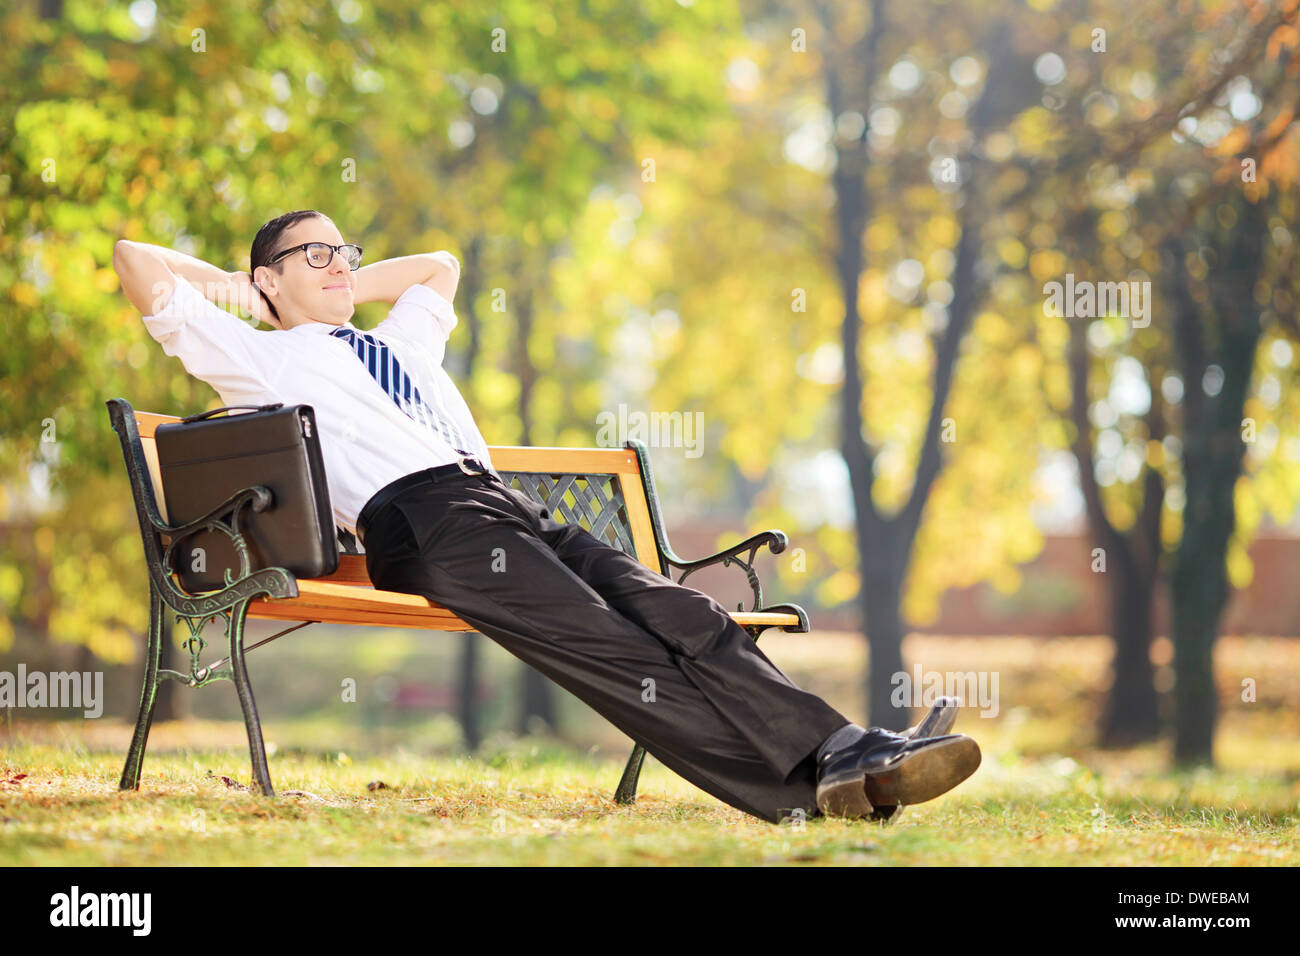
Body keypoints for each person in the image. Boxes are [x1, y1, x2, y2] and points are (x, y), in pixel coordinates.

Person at [112, 208, 982, 825]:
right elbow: (136, 261)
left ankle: (848, 755)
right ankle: (804, 792)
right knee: (620, 652)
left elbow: (437, 266)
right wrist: (251, 293)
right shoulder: (261, 362)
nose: (342, 265)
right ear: (266, 279)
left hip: (503, 507)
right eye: (316, 255)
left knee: (685, 612)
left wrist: (324, 273)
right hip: (427, 524)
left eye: (347, 250)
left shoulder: (396, 344)